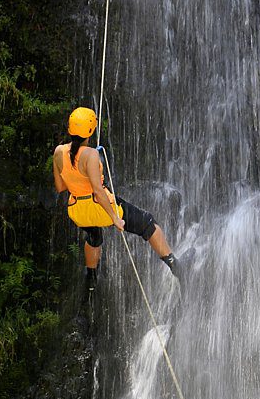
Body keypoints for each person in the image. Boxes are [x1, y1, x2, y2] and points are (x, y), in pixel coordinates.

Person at [53, 107, 186, 290]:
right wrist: (115, 218)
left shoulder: (59, 151)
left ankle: (90, 280)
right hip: (99, 208)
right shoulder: (91, 155)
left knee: (94, 234)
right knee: (147, 223)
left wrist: (77, 181)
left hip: (77, 211)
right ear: (91, 131)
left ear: (70, 129)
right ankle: (176, 267)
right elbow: (99, 193)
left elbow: (60, 187)